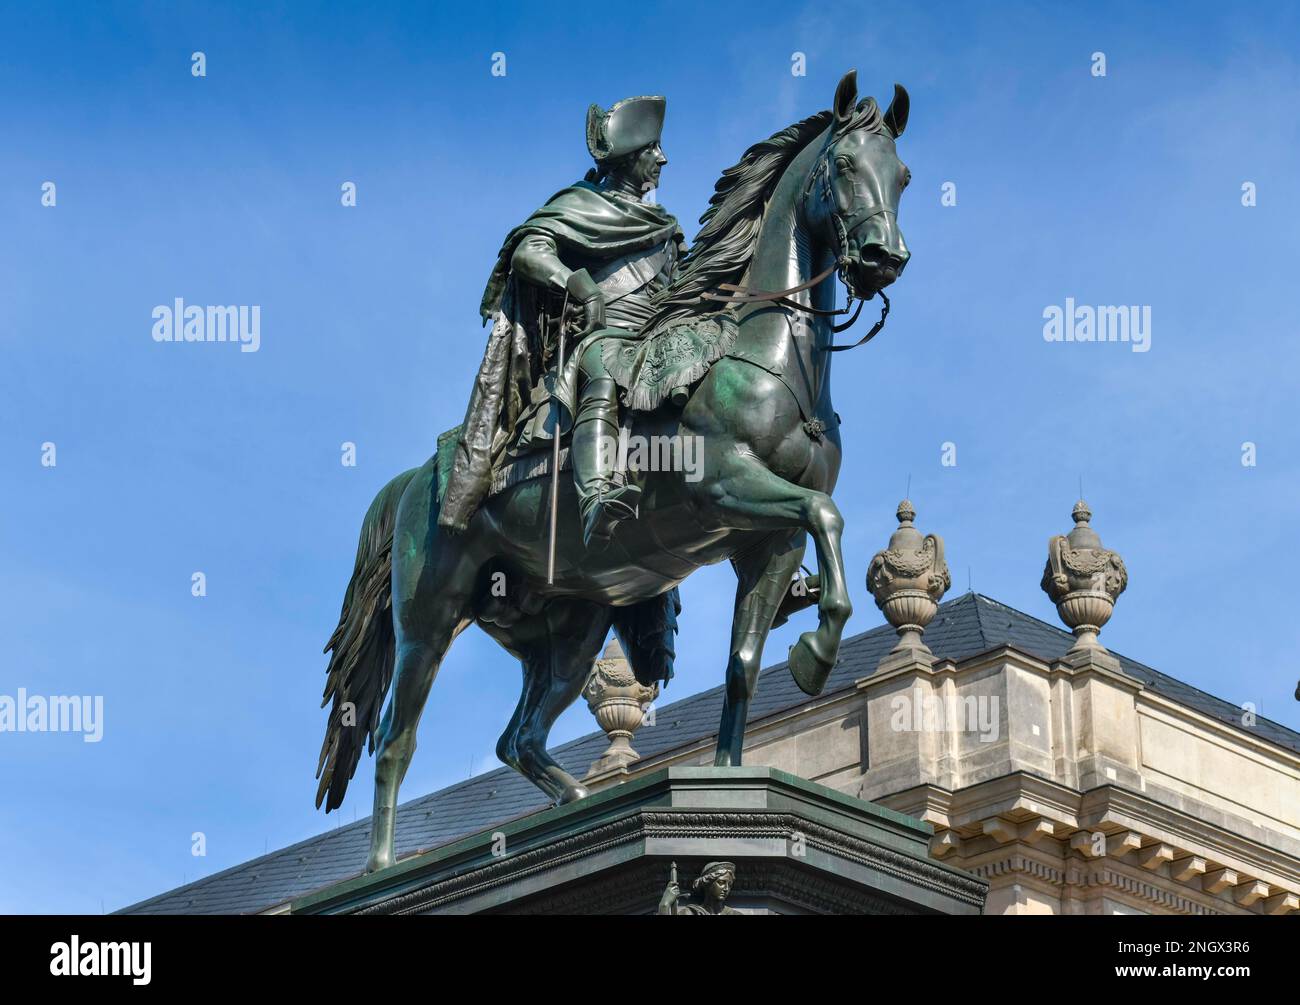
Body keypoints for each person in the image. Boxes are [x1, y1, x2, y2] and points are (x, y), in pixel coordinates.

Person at [440, 95, 686, 549]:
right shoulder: (581, 203)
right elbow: (528, 252)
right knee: (606, 368)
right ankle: (594, 497)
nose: (662, 159)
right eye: (653, 149)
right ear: (631, 156)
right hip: (600, 336)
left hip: (656, 341)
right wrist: (577, 283)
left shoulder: (665, 227)